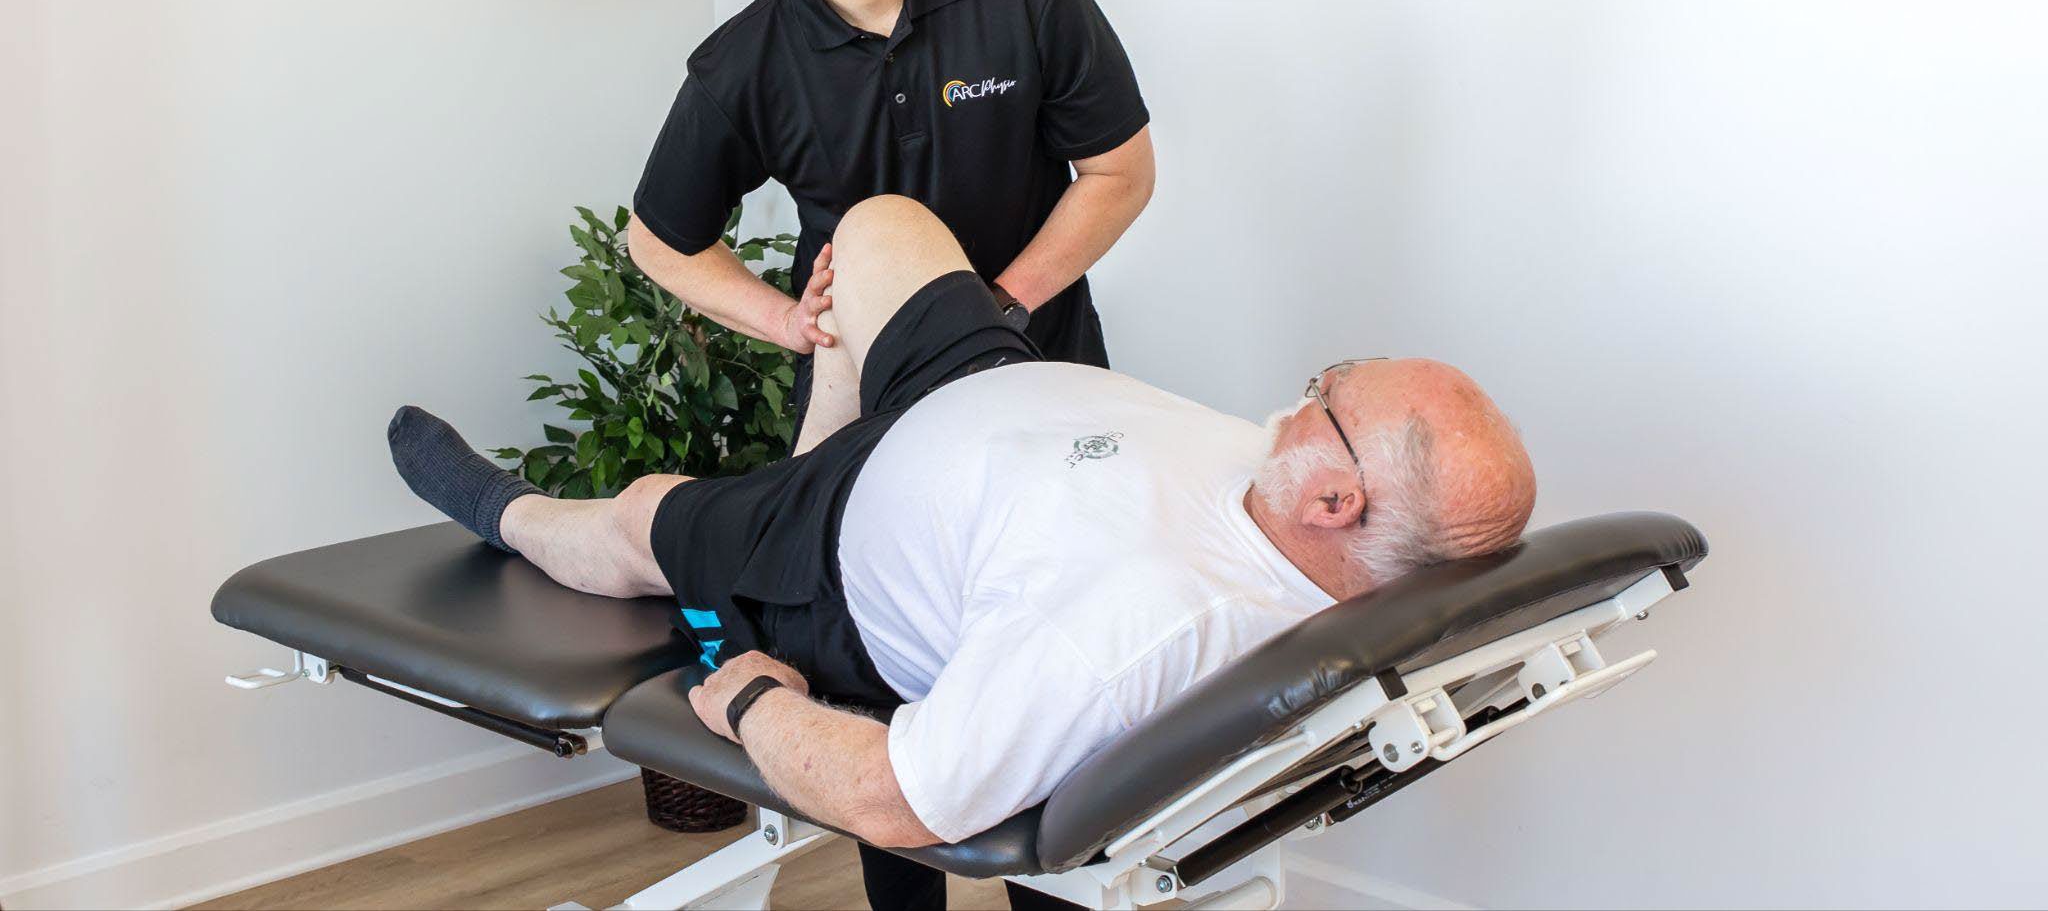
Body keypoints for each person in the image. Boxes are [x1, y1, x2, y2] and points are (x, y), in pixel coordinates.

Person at [386, 196, 1538, 876]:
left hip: (836, 545)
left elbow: (903, 798)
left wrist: (745, 701)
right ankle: (822, 429)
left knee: (647, 506)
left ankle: (507, 508)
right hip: (983, 396)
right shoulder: (1309, 504)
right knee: (880, 225)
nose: (1301, 389)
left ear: (1336, 503)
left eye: (1325, 392)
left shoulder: (1135, 625)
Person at [626, 0, 1155, 461]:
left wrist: (998, 308)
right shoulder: (744, 65)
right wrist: (788, 321)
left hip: (1043, 365)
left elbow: (1121, 171)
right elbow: (659, 238)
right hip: (864, 401)